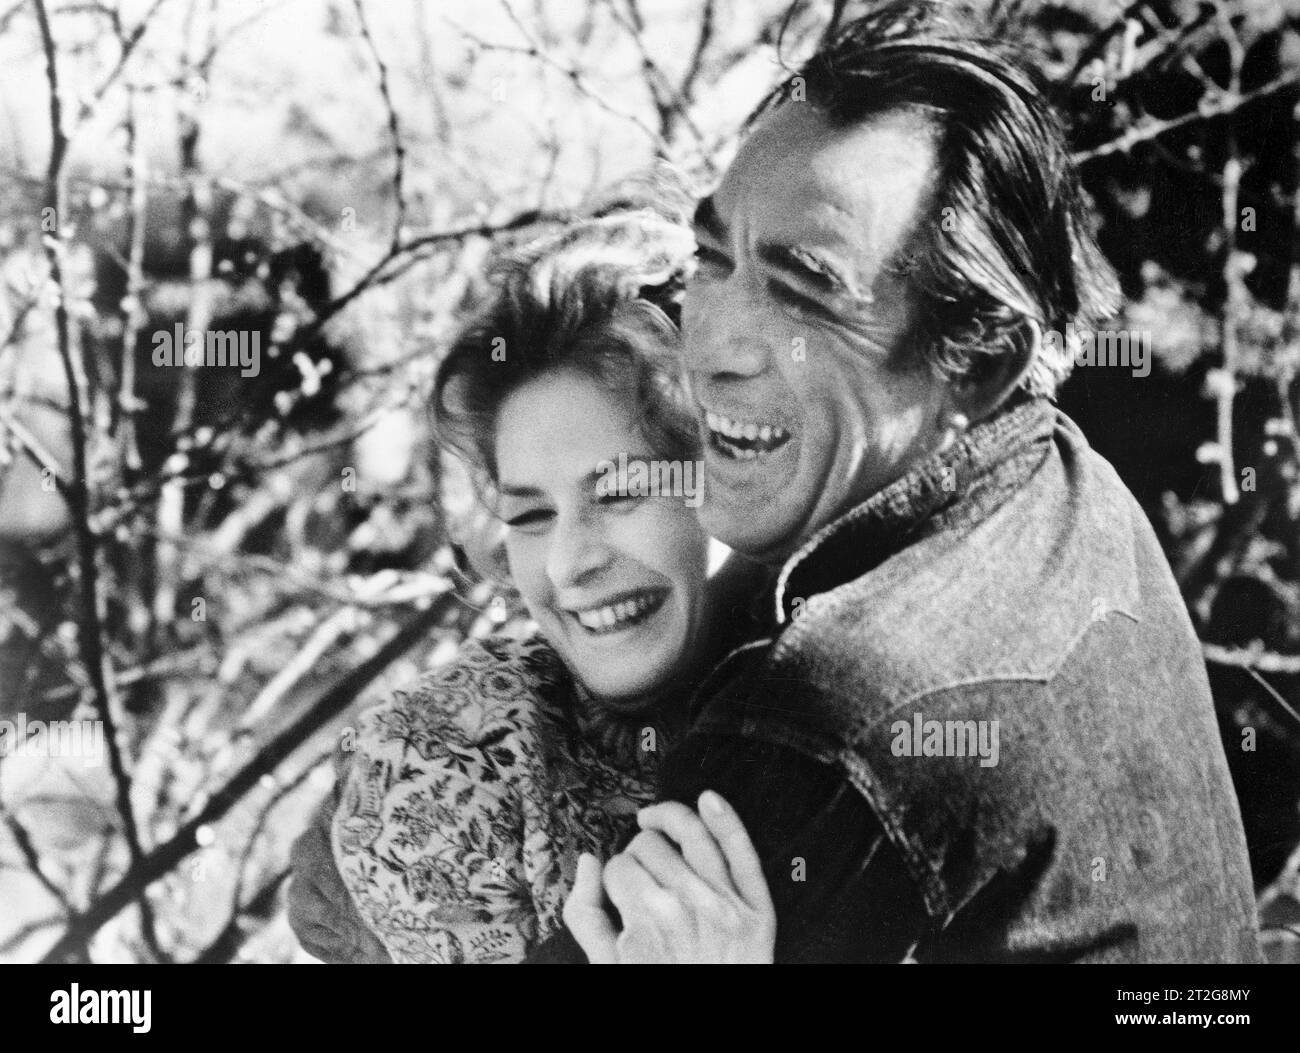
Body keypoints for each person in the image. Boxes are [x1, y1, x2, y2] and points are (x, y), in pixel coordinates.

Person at [554, 1, 1263, 964]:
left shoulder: (833, 720)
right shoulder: (1063, 480)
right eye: (712, 260)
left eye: (806, 293)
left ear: (978, 360)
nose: (710, 345)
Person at [289, 205, 767, 963]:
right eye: (531, 514)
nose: (569, 561)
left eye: (617, 493)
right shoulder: (454, 769)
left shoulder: (850, 678)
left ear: (736, 471)